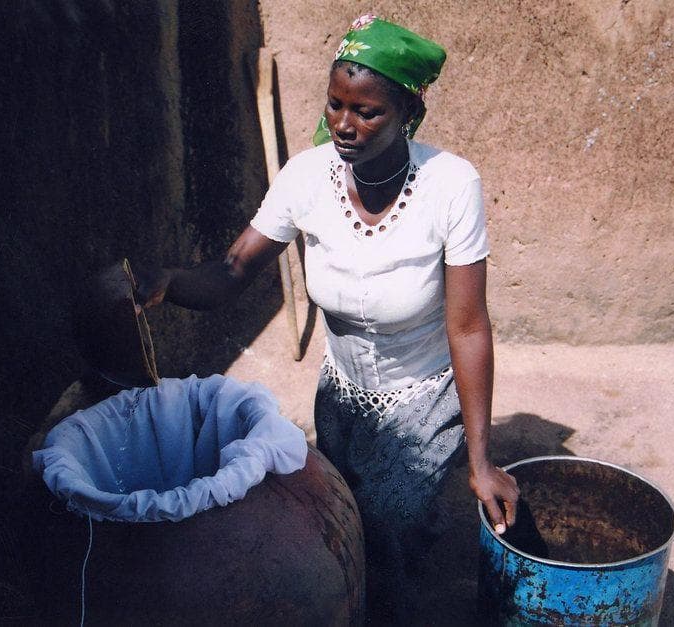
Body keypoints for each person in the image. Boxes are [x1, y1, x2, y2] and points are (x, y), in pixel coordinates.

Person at [138, 14, 519, 617]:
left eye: (367, 112)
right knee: (336, 518)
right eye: (335, 104)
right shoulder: (308, 178)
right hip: (340, 392)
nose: (344, 125)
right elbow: (233, 271)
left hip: (420, 392)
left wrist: (480, 459)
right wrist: (166, 284)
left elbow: (468, 325)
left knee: (389, 529)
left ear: (407, 114)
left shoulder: (451, 184)